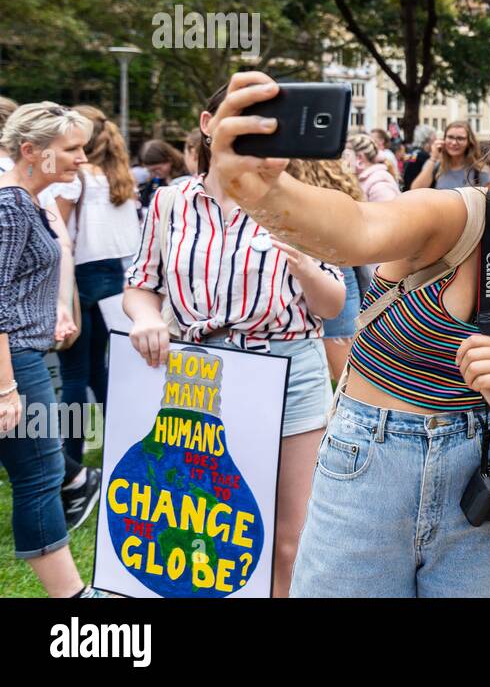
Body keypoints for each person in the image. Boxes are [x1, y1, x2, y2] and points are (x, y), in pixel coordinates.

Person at [206, 71, 490, 597]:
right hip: (371, 462)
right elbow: (357, 229)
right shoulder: (449, 214)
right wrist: (264, 189)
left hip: (483, 480)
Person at [123, 86, 345, 598]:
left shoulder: (303, 204)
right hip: (195, 374)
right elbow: (140, 285)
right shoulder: (170, 201)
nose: (263, 136)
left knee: (292, 537)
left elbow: (332, 306)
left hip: (290, 370)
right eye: (247, 121)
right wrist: (144, 318)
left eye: (276, 126)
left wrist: (307, 267)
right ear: (209, 124)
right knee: (200, 525)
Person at [0, 103, 105, 597]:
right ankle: (73, 597)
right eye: (71, 149)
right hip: (15, 361)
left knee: (40, 471)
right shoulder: (11, 206)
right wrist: (6, 388)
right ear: (31, 152)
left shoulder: (28, 201)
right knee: (40, 475)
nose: (82, 158)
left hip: (27, 353)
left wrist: (54, 311)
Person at [42, 106, 141, 503]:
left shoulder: (74, 181)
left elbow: (60, 236)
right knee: (102, 369)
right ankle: (122, 443)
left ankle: (71, 459)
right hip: (114, 280)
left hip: (80, 280)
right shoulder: (121, 177)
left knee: (74, 374)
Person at [286, 158, 367, 384]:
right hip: (340, 266)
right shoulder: (335, 180)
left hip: (320, 264)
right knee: (343, 355)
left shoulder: (295, 188)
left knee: (340, 357)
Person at [410, 120, 486, 190]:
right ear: (444, 139)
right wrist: (433, 158)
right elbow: (415, 190)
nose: (454, 143)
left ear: (469, 142)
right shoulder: (436, 165)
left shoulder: (479, 169)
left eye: (460, 138)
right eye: (450, 137)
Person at [347, 133, 401, 202]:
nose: (342, 160)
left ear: (359, 159)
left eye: (346, 155)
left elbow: (388, 212)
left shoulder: (379, 185)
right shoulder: (363, 179)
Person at [136, 139, 185, 206]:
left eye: (157, 169)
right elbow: (144, 202)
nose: (153, 174)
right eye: (150, 171)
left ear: (169, 160)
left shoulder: (185, 178)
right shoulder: (155, 182)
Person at [402, 124, 435, 190]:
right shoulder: (423, 156)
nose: (436, 140)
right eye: (435, 137)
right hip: (416, 193)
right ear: (428, 139)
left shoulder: (412, 152)